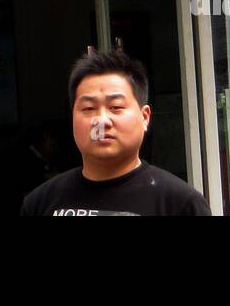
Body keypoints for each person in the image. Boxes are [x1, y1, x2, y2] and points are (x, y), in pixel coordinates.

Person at [21, 49, 210, 216]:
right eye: (88, 108)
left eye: (115, 107)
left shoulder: (180, 204)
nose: (101, 120)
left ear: (145, 117)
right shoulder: (40, 203)